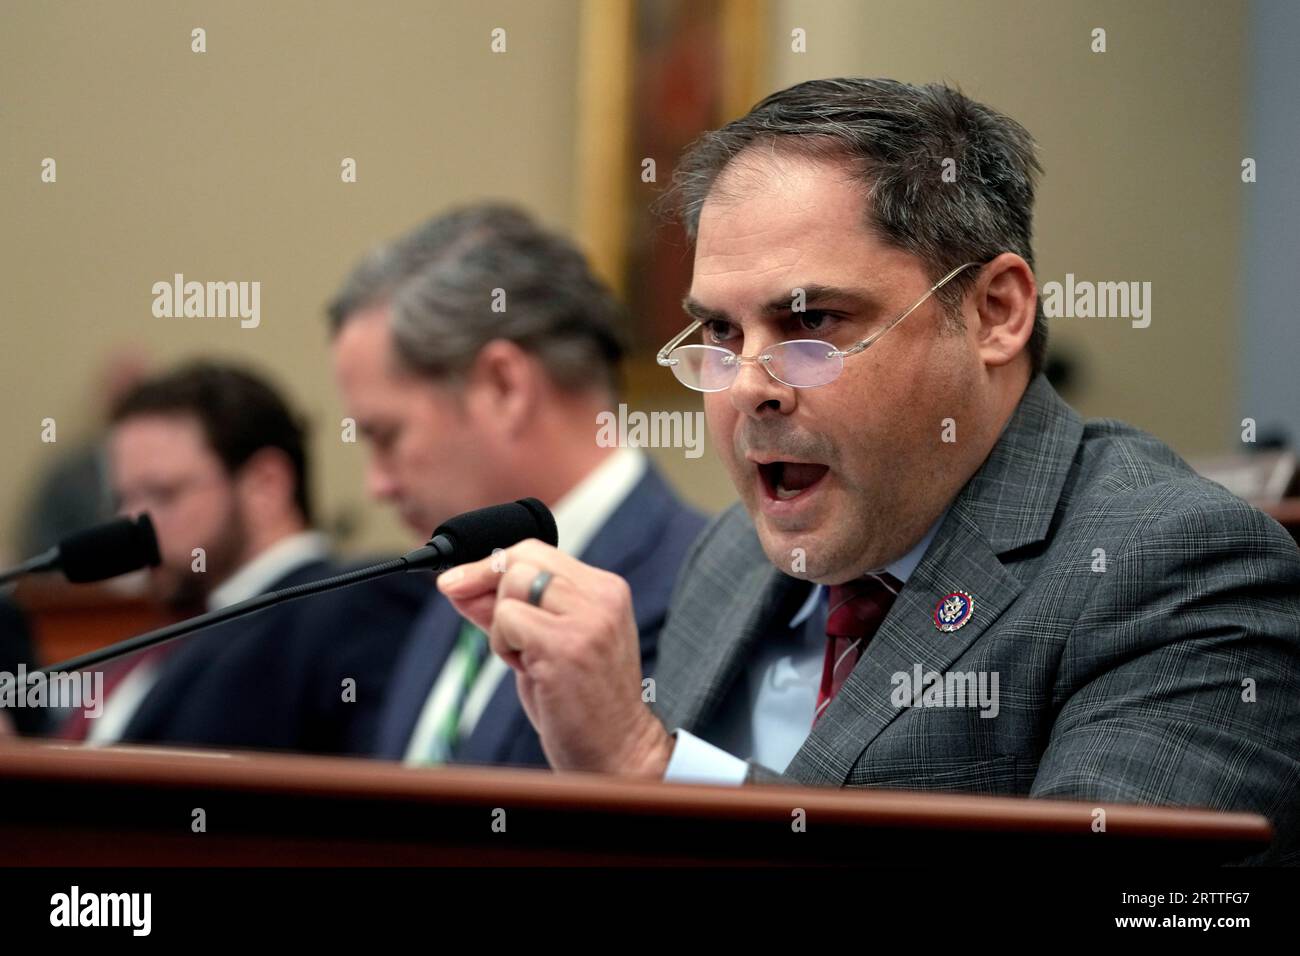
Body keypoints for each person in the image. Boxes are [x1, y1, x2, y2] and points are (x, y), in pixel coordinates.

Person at [430, 79, 1300, 864]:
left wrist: (649, 769)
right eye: (721, 336)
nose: (752, 389)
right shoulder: (732, 556)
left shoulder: (1178, 566)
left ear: (995, 311)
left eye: (814, 324)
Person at [329, 203, 706, 768]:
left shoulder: (701, 591)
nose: (376, 484)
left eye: (386, 435)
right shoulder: (465, 567)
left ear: (504, 386)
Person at [66, 361, 426, 753]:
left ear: (265, 485)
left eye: (161, 494)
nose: (131, 528)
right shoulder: (178, 627)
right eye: (123, 500)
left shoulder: (352, 604)